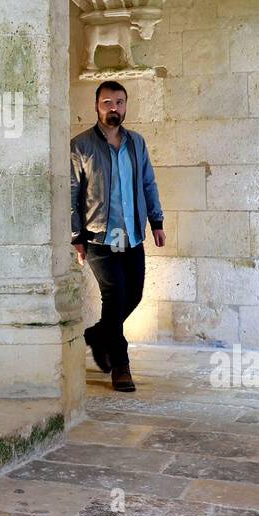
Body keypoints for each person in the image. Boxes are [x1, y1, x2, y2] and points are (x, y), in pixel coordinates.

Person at [70, 80, 166, 392]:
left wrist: (157, 221)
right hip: (99, 237)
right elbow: (72, 193)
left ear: (125, 105)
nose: (114, 108)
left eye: (120, 102)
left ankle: (96, 336)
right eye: (108, 102)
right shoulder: (81, 145)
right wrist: (76, 236)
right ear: (96, 106)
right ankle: (121, 366)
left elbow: (148, 183)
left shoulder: (137, 143)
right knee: (114, 298)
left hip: (133, 234)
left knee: (133, 295)